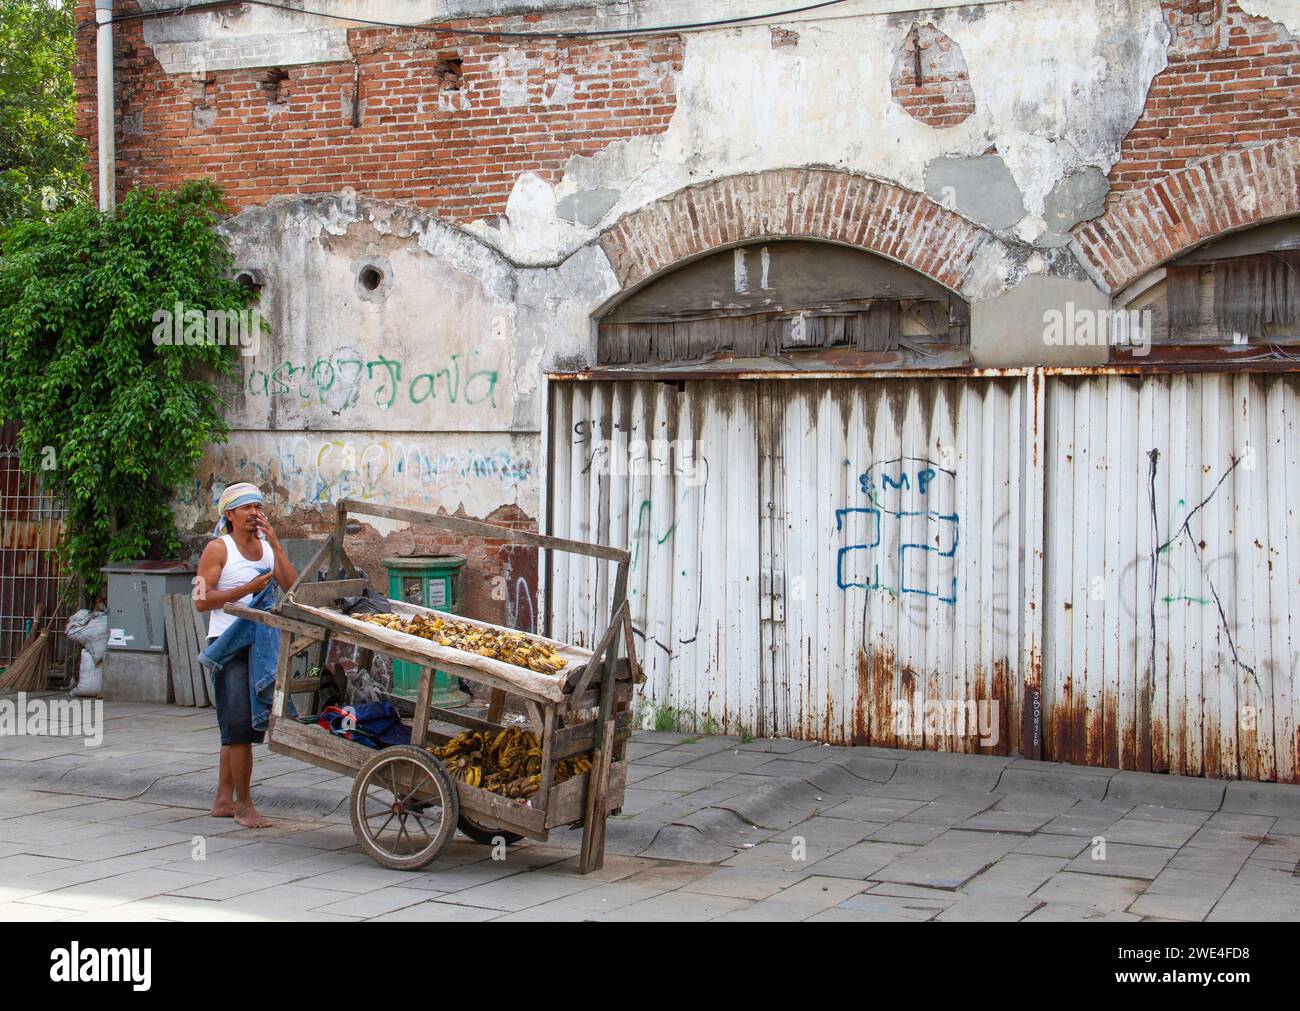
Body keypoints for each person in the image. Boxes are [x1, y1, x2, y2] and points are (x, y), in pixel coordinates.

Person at [194, 483, 297, 828]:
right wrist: (246, 591)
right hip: (228, 644)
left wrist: (278, 545)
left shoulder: (267, 549)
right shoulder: (217, 549)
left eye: (258, 506)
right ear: (229, 514)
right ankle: (244, 805)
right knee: (239, 727)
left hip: (259, 645)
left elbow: (292, 588)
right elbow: (200, 600)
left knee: (236, 727)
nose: (255, 513)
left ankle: (223, 800)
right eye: (246, 507)